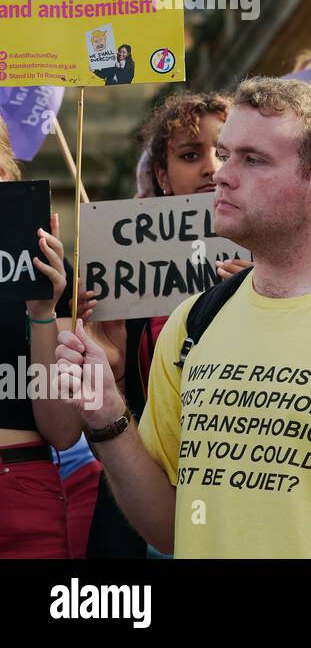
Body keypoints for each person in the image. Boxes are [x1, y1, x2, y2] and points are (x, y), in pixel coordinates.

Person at [55, 77, 311, 557]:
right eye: (227, 153)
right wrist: (107, 415)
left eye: (252, 159)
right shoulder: (194, 323)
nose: (223, 174)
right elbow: (169, 527)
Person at [77, 91, 247, 558]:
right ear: (161, 176)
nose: (212, 169)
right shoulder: (125, 289)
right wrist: (109, 368)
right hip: (150, 516)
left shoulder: (279, 265)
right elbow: (111, 432)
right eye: (191, 156)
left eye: (227, 153)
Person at [0, 117, 81, 558]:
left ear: (10, 177)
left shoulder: (48, 277)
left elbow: (64, 431)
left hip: (24, 488)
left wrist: (43, 313)